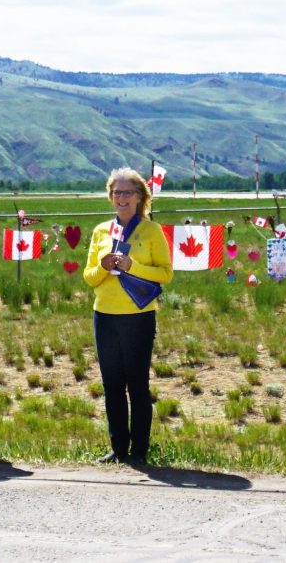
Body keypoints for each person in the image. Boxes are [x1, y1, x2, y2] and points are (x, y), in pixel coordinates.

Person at [81, 168, 174, 463]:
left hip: (138, 316)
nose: (121, 198)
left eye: (127, 193)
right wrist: (104, 266)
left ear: (140, 197)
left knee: (137, 383)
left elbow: (165, 274)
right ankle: (118, 447)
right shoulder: (100, 231)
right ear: (110, 197)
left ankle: (140, 450)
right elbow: (89, 277)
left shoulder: (151, 231)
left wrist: (133, 266)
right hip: (104, 316)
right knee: (111, 384)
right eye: (116, 192)